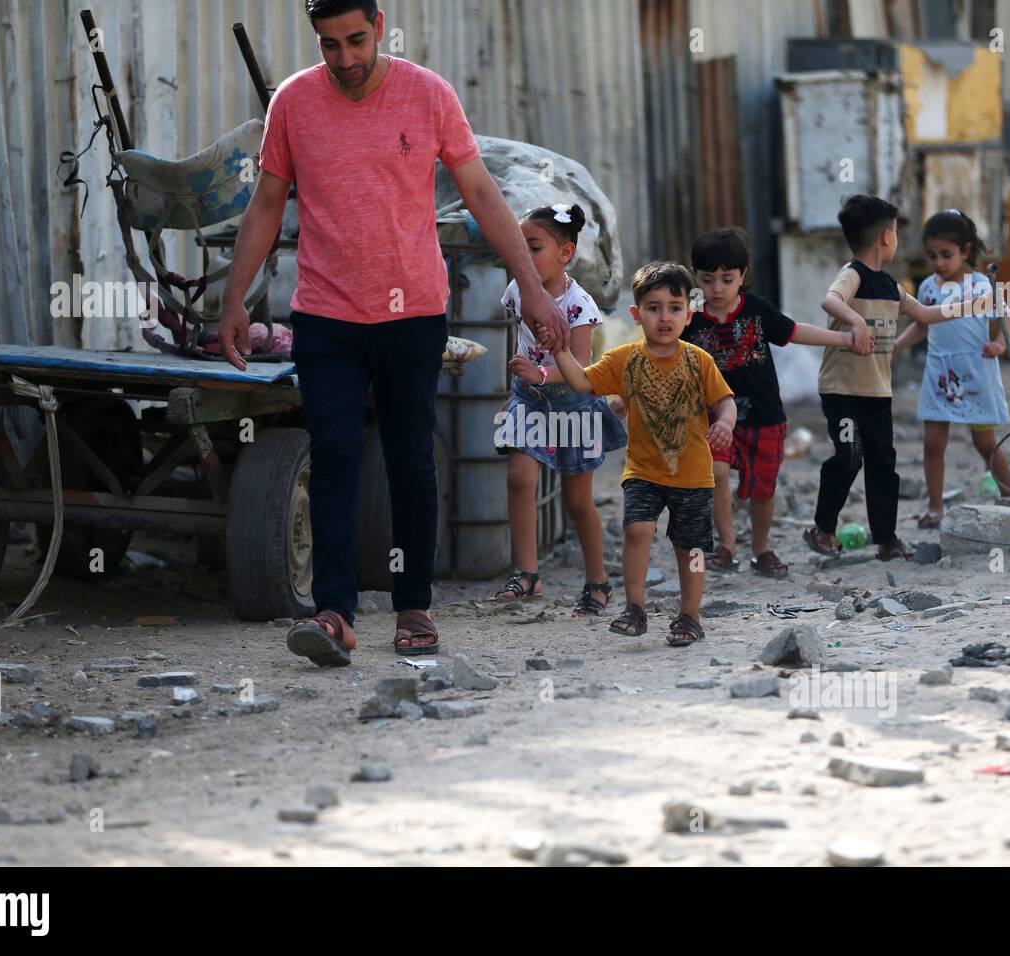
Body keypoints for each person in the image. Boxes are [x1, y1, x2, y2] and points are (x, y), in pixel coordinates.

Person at [217, 0, 569, 665]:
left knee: (410, 456)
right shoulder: (294, 103)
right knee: (337, 454)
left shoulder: (427, 96)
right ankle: (335, 615)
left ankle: (414, 606)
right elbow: (267, 203)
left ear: (379, 25)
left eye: (355, 41)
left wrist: (526, 280)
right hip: (325, 313)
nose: (345, 59)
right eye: (329, 46)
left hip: (413, 314)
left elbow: (481, 192)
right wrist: (236, 298)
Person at [510, 262, 734, 647]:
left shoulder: (700, 361)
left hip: (694, 476)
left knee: (692, 549)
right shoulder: (624, 359)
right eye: (653, 307)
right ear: (636, 314)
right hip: (643, 472)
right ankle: (635, 607)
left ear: (688, 312)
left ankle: (690, 615)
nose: (664, 317)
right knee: (636, 531)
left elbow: (724, 400)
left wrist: (725, 423)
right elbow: (582, 380)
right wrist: (560, 350)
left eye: (674, 307)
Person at [803, 195, 991, 561]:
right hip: (841, 390)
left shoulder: (891, 286)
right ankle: (823, 528)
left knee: (882, 464)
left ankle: (886, 539)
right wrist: (856, 321)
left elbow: (925, 314)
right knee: (848, 455)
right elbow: (830, 301)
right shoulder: (852, 274)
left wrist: (970, 306)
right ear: (887, 237)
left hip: (876, 391)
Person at [682, 227, 869, 579]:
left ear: (743, 275)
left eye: (727, 279)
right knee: (716, 472)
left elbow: (794, 331)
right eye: (708, 280)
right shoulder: (688, 319)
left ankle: (760, 549)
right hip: (713, 417)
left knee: (762, 490)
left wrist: (843, 338)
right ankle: (726, 545)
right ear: (696, 278)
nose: (717, 289)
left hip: (764, 417)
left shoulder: (756, 309)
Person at [493, 203, 626, 614]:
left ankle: (598, 580)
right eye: (520, 247)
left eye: (533, 247)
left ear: (565, 253)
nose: (524, 257)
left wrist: (541, 374)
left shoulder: (579, 304)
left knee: (577, 501)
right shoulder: (517, 291)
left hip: (573, 406)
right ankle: (527, 574)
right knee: (519, 477)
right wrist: (515, 386)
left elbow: (583, 371)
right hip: (529, 401)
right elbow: (516, 345)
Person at [893, 209, 1010, 528]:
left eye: (946, 255)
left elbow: (1007, 322)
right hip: (939, 373)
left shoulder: (982, 285)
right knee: (933, 443)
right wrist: (895, 346)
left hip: (976, 370)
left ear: (965, 251)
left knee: (985, 443)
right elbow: (921, 326)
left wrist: (1000, 345)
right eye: (931, 256)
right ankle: (935, 507)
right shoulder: (927, 289)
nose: (938, 263)